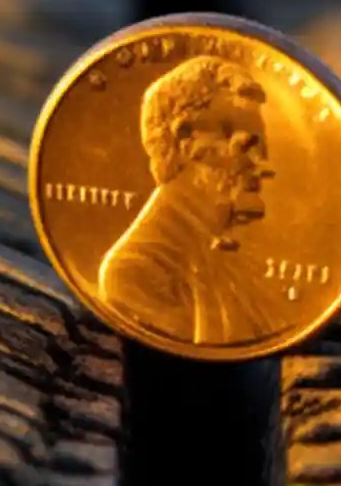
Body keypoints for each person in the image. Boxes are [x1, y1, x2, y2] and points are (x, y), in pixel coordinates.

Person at [98, 55, 277, 345]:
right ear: (186, 140)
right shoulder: (134, 273)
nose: (264, 165)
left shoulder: (230, 264)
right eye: (245, 144)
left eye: (263, 149)